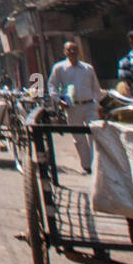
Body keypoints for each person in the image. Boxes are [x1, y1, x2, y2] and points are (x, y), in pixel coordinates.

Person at [47, 40, 102, 173]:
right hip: (72, 107)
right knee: (79, 137)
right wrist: (58, 100)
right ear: (64, 52)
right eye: (69, 50)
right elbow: (52, 85)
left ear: (78, 51)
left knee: (94, 133)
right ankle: (87, 165)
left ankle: (97, 164)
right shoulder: (59, 68)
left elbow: (96, 87)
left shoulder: (87, 68)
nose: (72, 52)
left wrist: (98, 104)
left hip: (89, 105)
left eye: (74, 49)